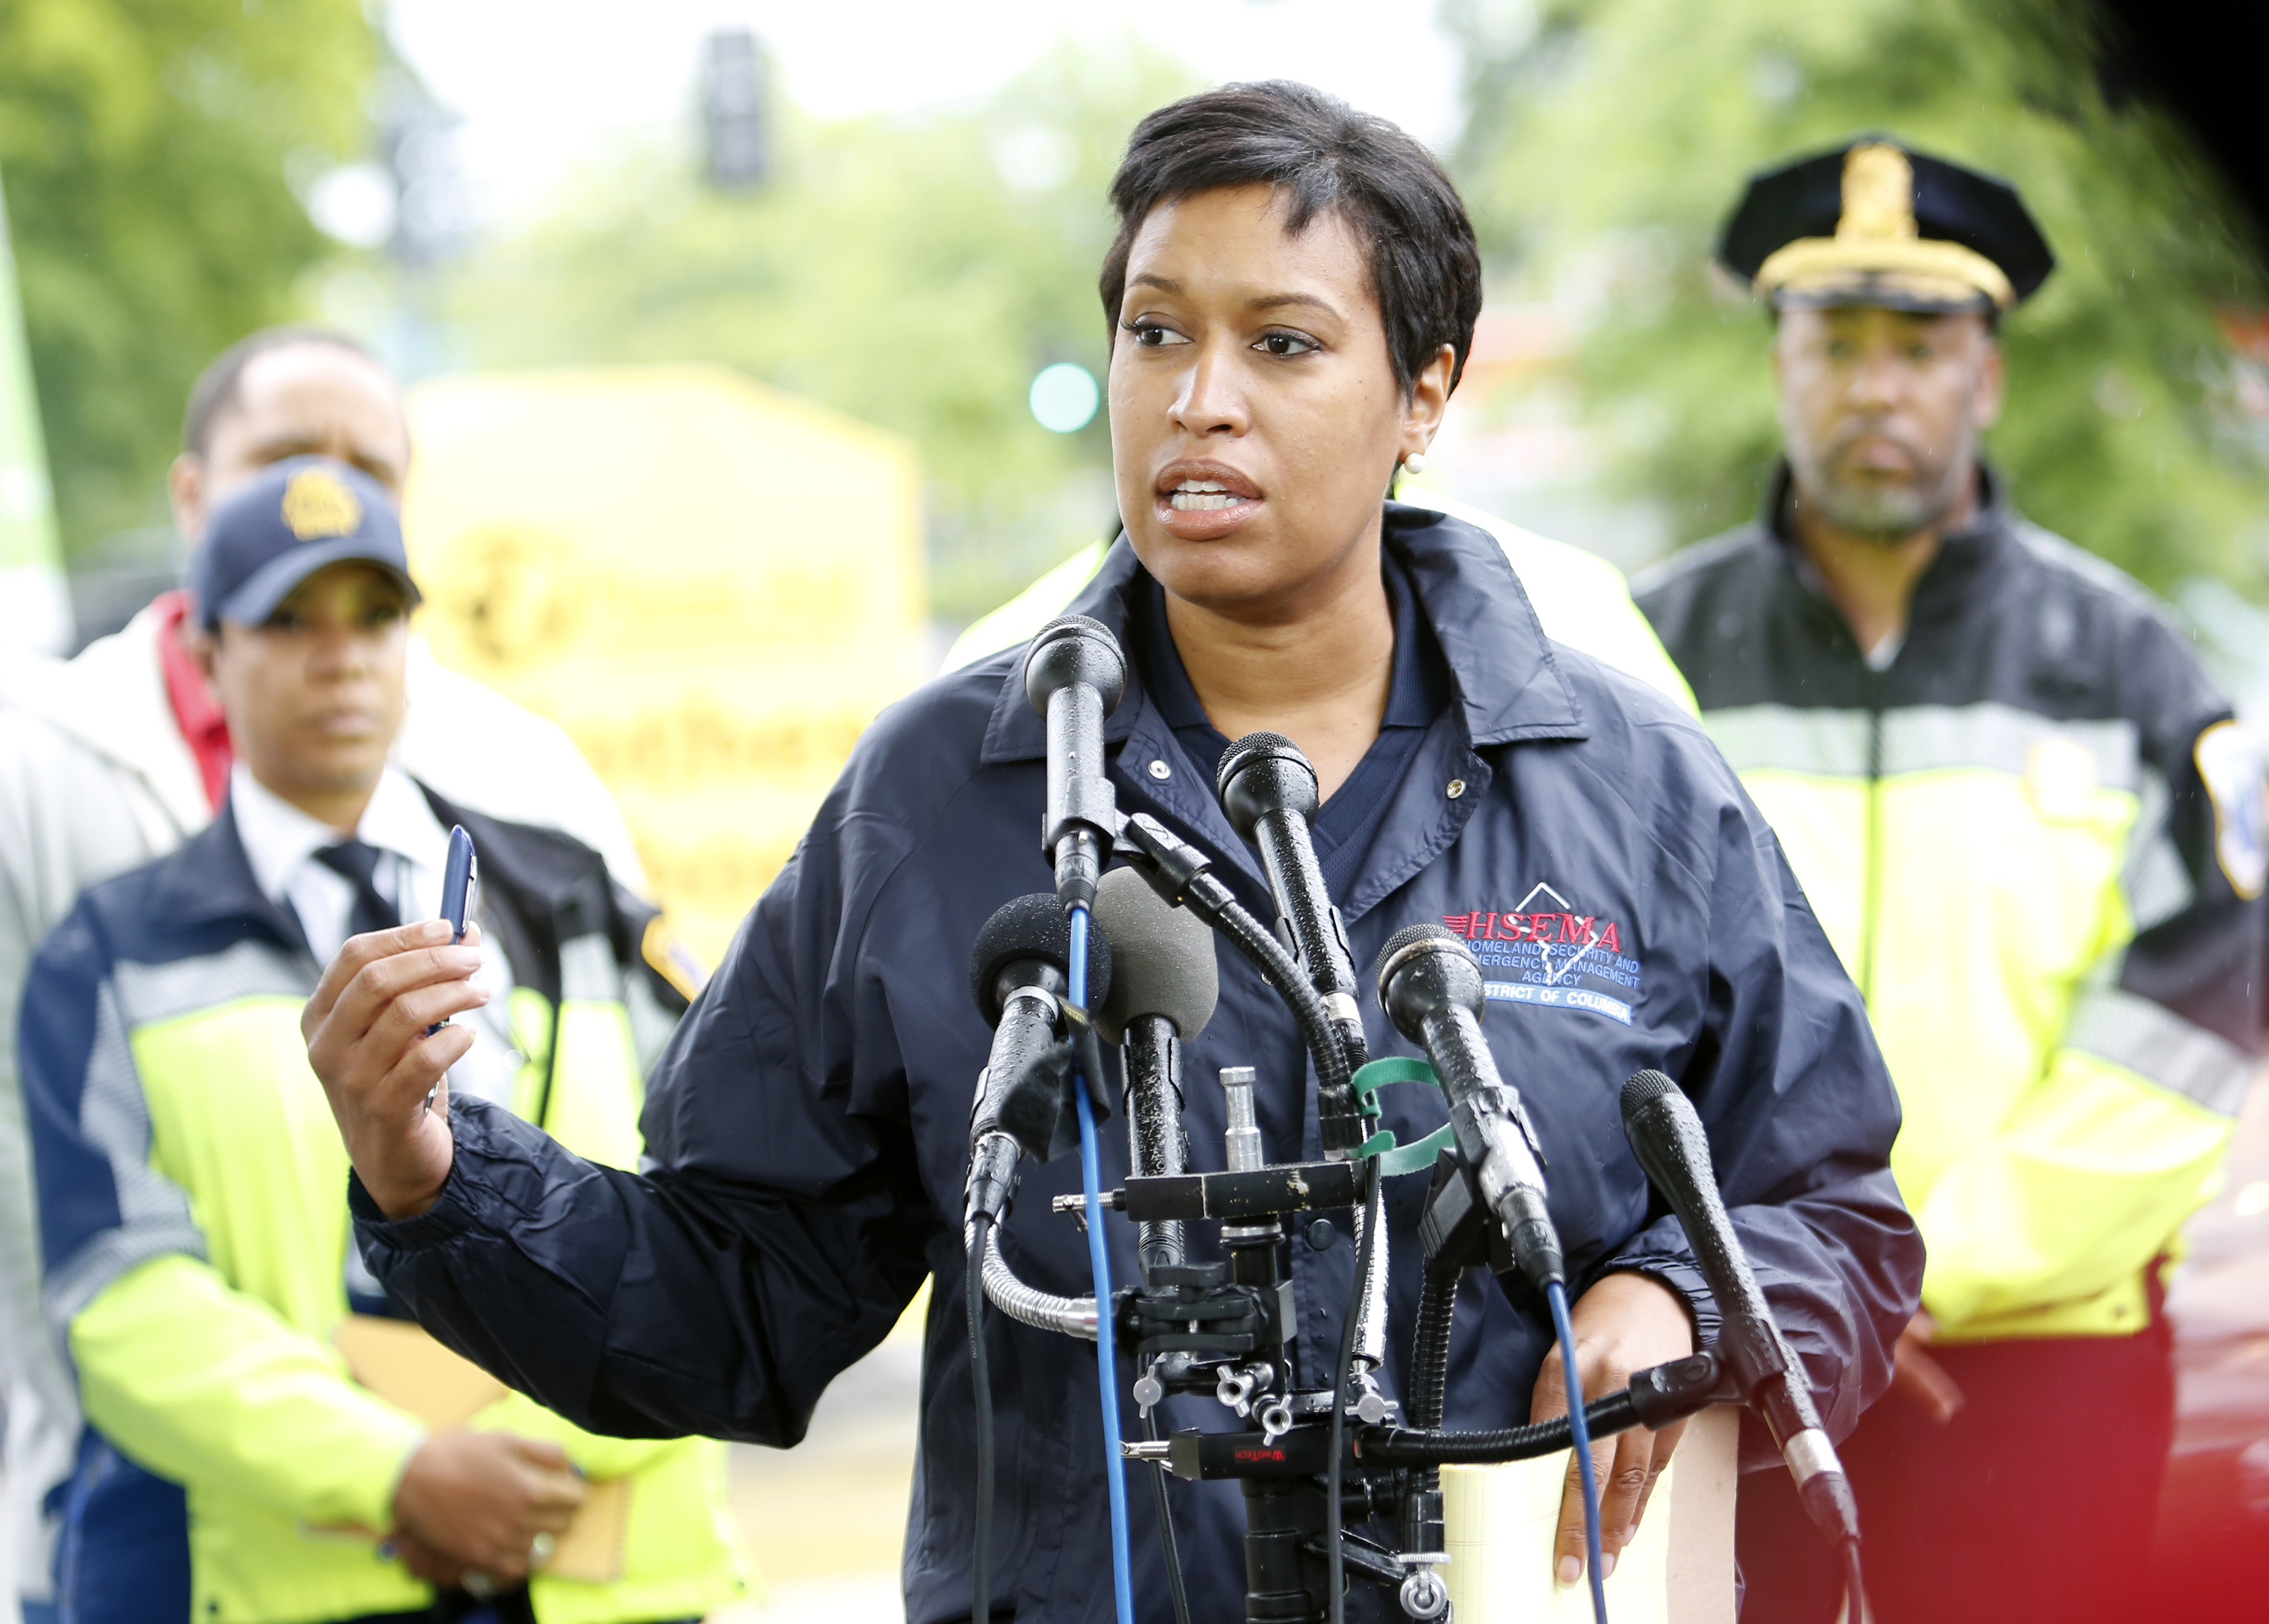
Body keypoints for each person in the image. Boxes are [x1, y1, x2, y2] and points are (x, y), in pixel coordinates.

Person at [312, 84, 1922, 1621]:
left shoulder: (1629, 785)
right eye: (1156, 331)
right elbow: (734, 1298)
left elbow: (1834, 1204)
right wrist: (435, 1173)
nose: (1198, 396)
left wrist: (1676, 1296)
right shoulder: (940, 794)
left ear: (1425, 392)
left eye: (1281, 342)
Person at [1633, 139, 2266, 1623]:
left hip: (2041, 1375)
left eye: (1917, 348)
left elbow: (2189, 1029)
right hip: (1741, 1354)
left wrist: (1909, 1269)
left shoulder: (2129, 669)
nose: (1875, 387)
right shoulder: (1646, 661)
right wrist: (1772, 1275)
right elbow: (1611, 1004)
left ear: (1984, 375)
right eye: (1835, 344)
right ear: (1780, 366)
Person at [18, 458, 746, 1624]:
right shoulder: (108, 955)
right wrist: (398, 1470)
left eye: (375, 614)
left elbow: (719, 1200)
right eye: (289, 619)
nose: (341, 655)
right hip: (316, 1583)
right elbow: (118, 1299)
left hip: (606, 1575)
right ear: (206, 655)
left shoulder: (571, 896)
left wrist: (533, 1435)